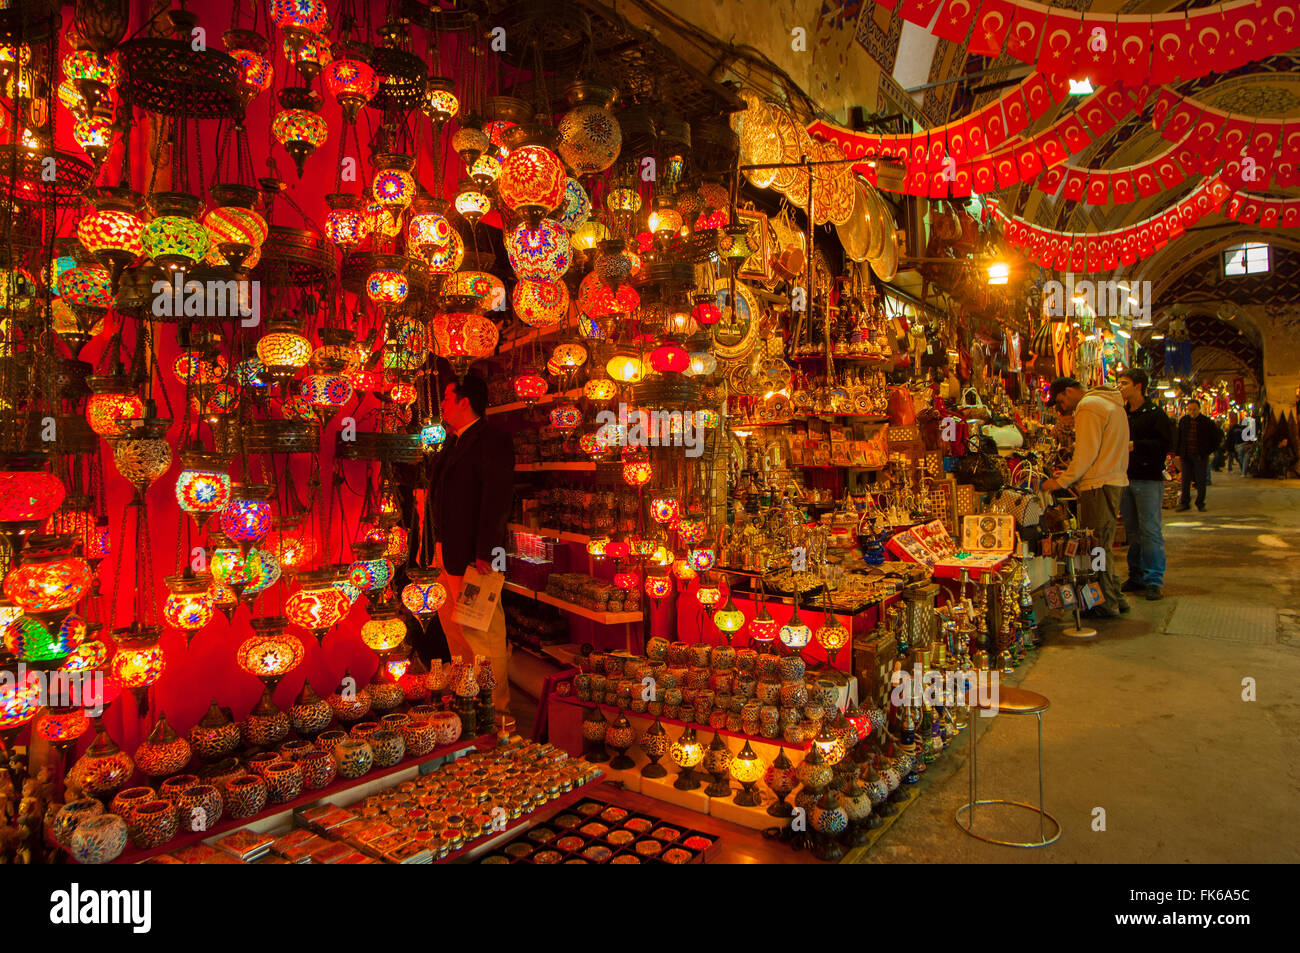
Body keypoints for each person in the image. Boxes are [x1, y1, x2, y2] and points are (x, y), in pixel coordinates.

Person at [426, 374, 515, 714]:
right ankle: (468, 700)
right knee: (455, 631)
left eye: (448, 398)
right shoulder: (454, 442)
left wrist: (487, 553)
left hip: (475, 557)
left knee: (483, 634)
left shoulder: (492, 440)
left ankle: (497, 709)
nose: (443, 405)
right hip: (447, 551)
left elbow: (497, 499)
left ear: (465, 402)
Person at [1041, 377, 1131, 619]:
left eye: (1061, 400)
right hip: (1112, 480)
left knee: (1097, 547)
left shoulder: (1089, 406)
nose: (1063, 407)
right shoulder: (1109, 403)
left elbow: (1085, 453)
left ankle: (1104, 602)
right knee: (1104, 545)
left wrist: (1061, 481)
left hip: (1099, 485)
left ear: (1069, 391)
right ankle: (1115, 596)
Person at [1117, 369, 1174, 601]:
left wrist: (1136, 446)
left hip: (1148, 479)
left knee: (1149, 530)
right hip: (1125, 477)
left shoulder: (1155, 414)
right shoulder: (1121, 413)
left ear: (1138, 386)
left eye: (1124, 383)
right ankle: (1136, 575)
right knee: (1133, 531)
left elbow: (1165, 444)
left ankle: (1153, 580)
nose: (1120, 387)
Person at [1174, 400, 1221, 511]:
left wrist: (1208, 451)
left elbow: (1216, 437)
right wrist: (1178, 453)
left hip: (1200, 456)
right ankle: (1185, 503)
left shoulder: (1206, 422)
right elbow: (1179, 438)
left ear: (1199, 409)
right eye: (1190, 409)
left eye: (1194, 409)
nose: (1192, 412)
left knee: (1200, 480)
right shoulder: (1183, 421)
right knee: (1185, 480)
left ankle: (1200, 503)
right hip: (1186, 456)